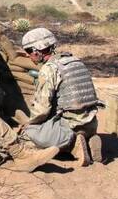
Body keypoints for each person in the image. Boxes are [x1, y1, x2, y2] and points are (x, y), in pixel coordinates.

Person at [18, 27, 103, 167]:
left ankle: (73, 147)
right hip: (91, 123)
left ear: (37, 50)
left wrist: (30, 124)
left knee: (28, 134)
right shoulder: (76, 61)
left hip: (68, 127)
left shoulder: (49, 69)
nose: (27, 55)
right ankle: (89, 137)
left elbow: (42, 110)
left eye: (28, 51)